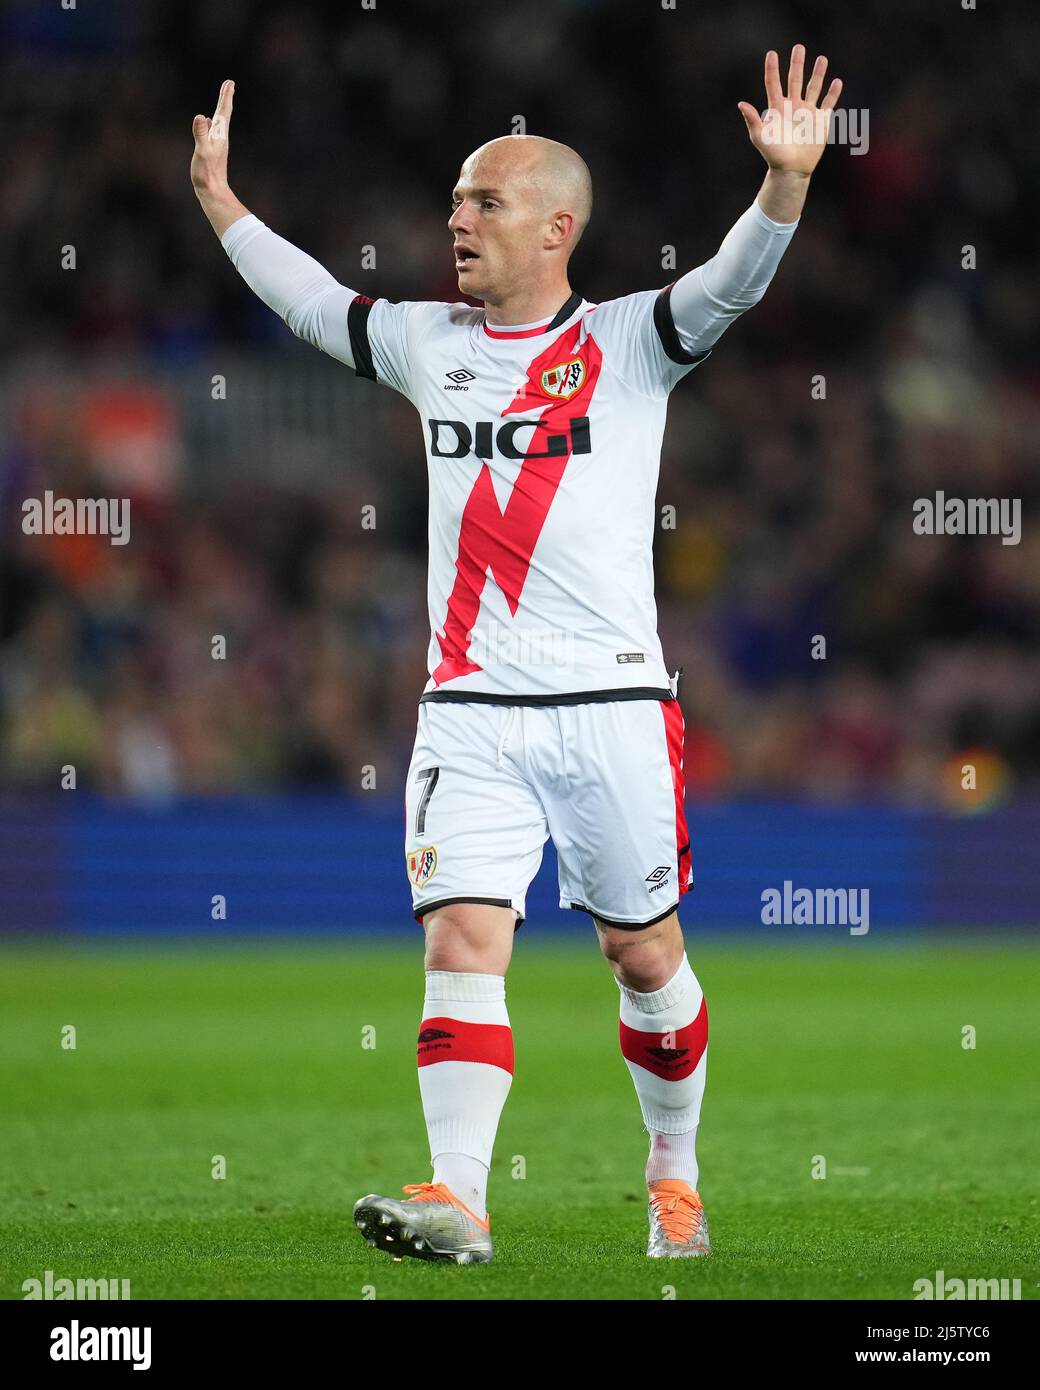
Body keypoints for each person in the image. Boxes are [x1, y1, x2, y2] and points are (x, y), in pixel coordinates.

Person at [191, 44, 842, 1264]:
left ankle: (672, 1174)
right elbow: (307, 299)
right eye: (451, 202)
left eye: (482, 201)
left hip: (611, 704)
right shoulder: (425, 341)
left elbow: (731, 285)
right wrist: (223, 202)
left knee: (641, 954)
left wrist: (785, 189)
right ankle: (458, 1195)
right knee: (460, 937)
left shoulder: (634, 340)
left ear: (556, 227)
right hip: (470, 709)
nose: (456, 220)